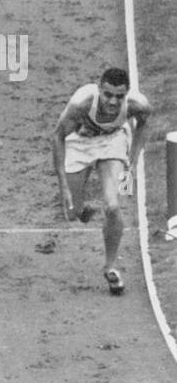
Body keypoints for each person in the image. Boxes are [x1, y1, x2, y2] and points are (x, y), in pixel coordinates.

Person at [52, 67, 151, 295]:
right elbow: (57, 136)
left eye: (119, 96)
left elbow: (144, 124)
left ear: (126, 94)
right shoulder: (81, 104)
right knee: (71, 212)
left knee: (114, 205)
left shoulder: (138, 104)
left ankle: (111, 267)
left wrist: (132, 161)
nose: (113, 102)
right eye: (108, 95)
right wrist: (63, 186)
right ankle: (83, 210)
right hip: (79, 142)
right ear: (99, 90)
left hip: (112, 140)